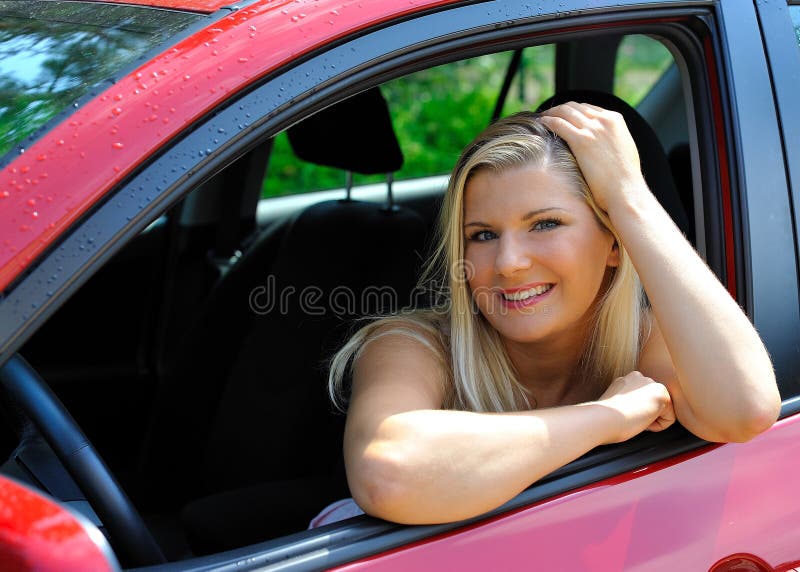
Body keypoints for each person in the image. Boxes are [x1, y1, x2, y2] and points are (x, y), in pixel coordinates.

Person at [310, 103, 781, 528]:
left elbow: (746, 409)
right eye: (483, 234)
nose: (509, 262)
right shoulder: (412, 345)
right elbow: (388, 472)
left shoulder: (650, 343)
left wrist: (628, 194)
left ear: (615, 241)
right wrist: (607, 416)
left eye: (546, 224)